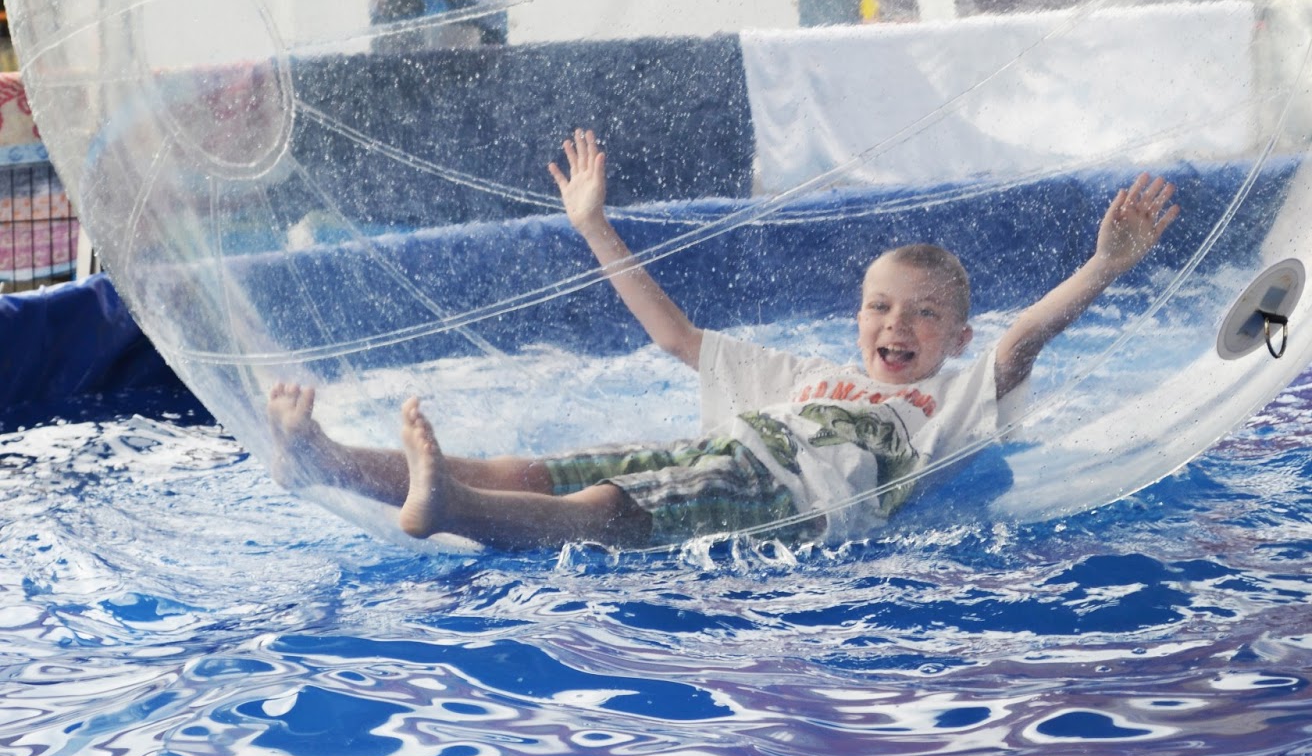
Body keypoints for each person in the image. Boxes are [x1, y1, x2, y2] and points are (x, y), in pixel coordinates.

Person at [267, 130, 1179, 550]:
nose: (896, 326)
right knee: (535, 469)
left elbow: (1022, 343)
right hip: (723, 450)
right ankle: (332, 460)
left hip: (792, 492)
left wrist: (1103, 266)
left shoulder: (952, 401)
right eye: (879, 307)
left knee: (610, 512)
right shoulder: (803, 373)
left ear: (956, 335)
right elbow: (674, 337)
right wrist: (592, 223)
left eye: (922, 314)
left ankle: (449, 511)